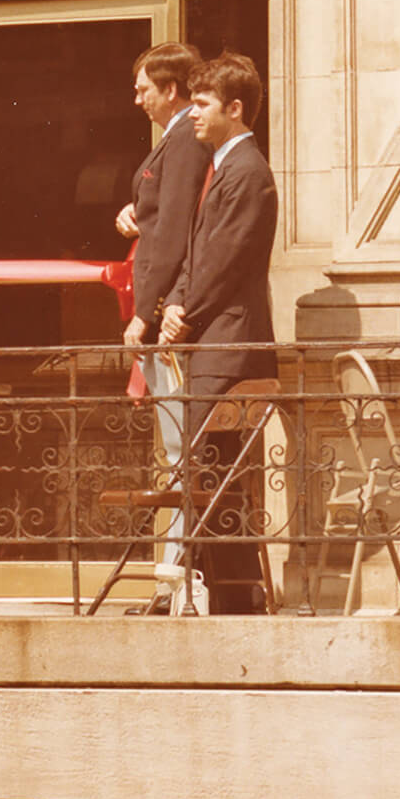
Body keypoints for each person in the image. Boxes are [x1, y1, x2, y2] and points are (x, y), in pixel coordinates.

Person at [160, 52, 278, 612]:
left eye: (202, 103)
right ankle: (230, 594)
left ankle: (234, 597)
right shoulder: (225, 168)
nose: (192, 113)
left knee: (213, 471)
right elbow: (197, 253)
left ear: (234, 108)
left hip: (229, 349)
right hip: (214, 343)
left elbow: (224, 260)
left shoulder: (248, 171)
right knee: (210, 471)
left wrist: (185, 312)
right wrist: (174, 303)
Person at [114, 44, 211, 590]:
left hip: (168, 313)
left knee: (178, 451)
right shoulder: (175, 139)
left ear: (170, 90)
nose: (137, 100)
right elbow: (160, 216)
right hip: (162, 306)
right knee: (175, 450)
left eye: (143, 89)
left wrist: (145, 314)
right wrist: (135, 213)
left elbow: (173, 232)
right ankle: (174, 577)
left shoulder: (184, 140)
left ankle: (178, 578)